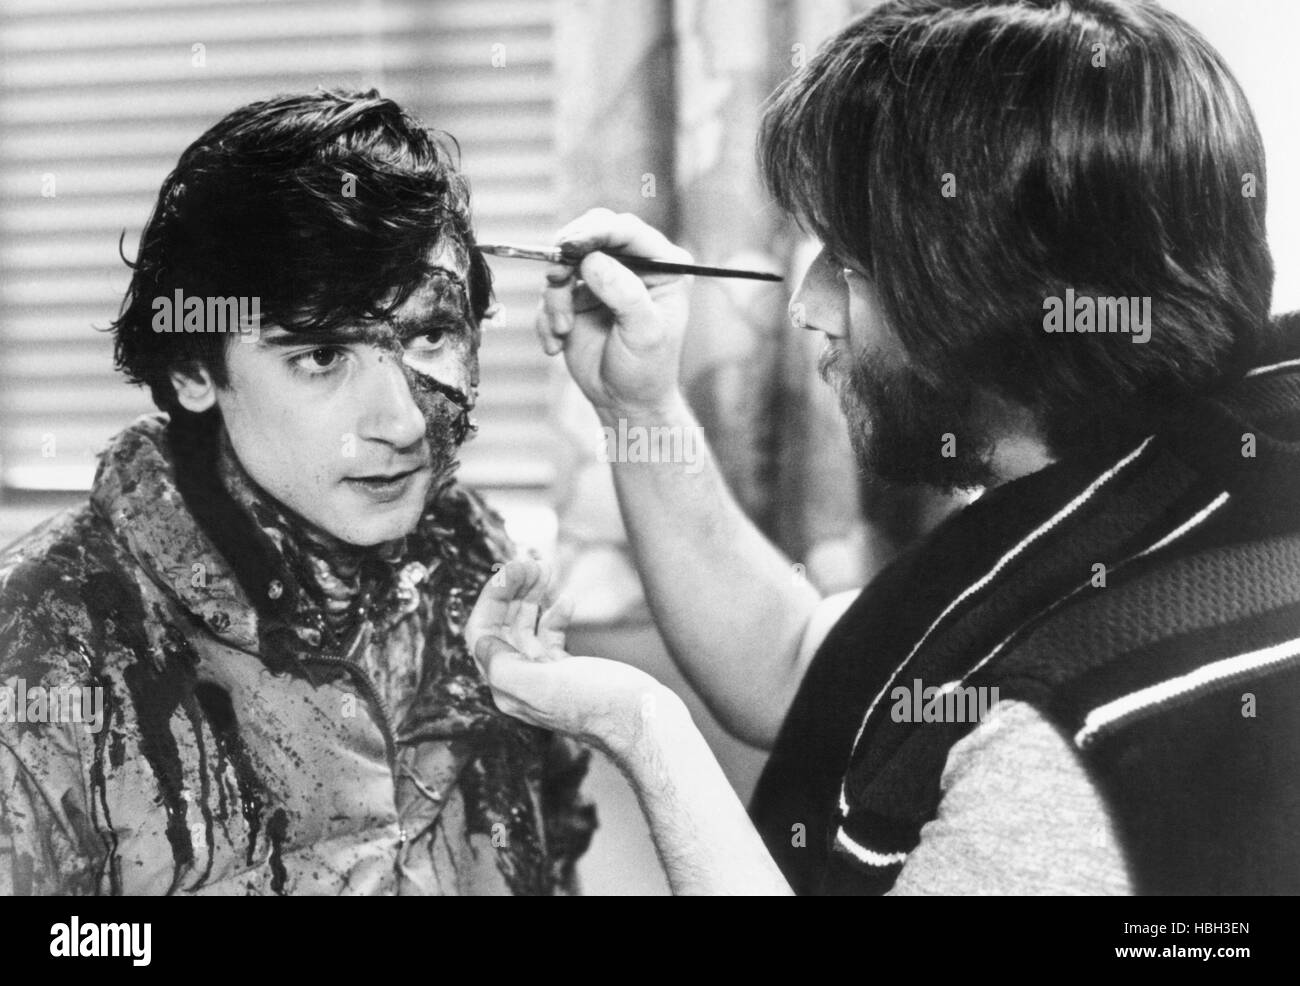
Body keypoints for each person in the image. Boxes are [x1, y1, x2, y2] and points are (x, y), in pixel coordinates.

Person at [466, 0, 1300, 895]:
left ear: (987, 296)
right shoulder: (1165, 484)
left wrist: (638, 727)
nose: (807, 307)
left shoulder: (1057, 740)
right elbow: (802, 667)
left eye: (851, 267)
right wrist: (640, 403)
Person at [0, 89, 594, 895]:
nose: (402, 423)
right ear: (193, 369)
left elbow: (554, 850)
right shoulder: (44, 642)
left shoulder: (476, 560)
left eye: (429, 334)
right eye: (321, 355)